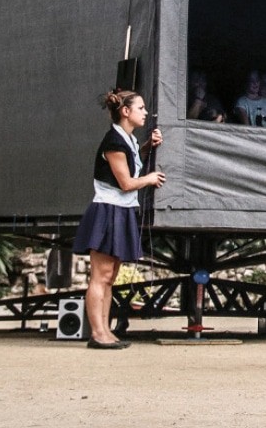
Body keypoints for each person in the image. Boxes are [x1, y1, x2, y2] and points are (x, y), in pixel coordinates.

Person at [72, 90, 165, 349]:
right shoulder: (114, 141)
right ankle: (97, 333)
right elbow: (126, 182)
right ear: (126, 111)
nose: (145, 112)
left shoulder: (129, 140)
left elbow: (133, 163)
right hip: (108, 209)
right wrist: (149, 179)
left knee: (110, 275)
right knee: (100, 275)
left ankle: (106, 330)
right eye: (141, 108)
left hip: (122, 210)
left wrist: (147, 146)